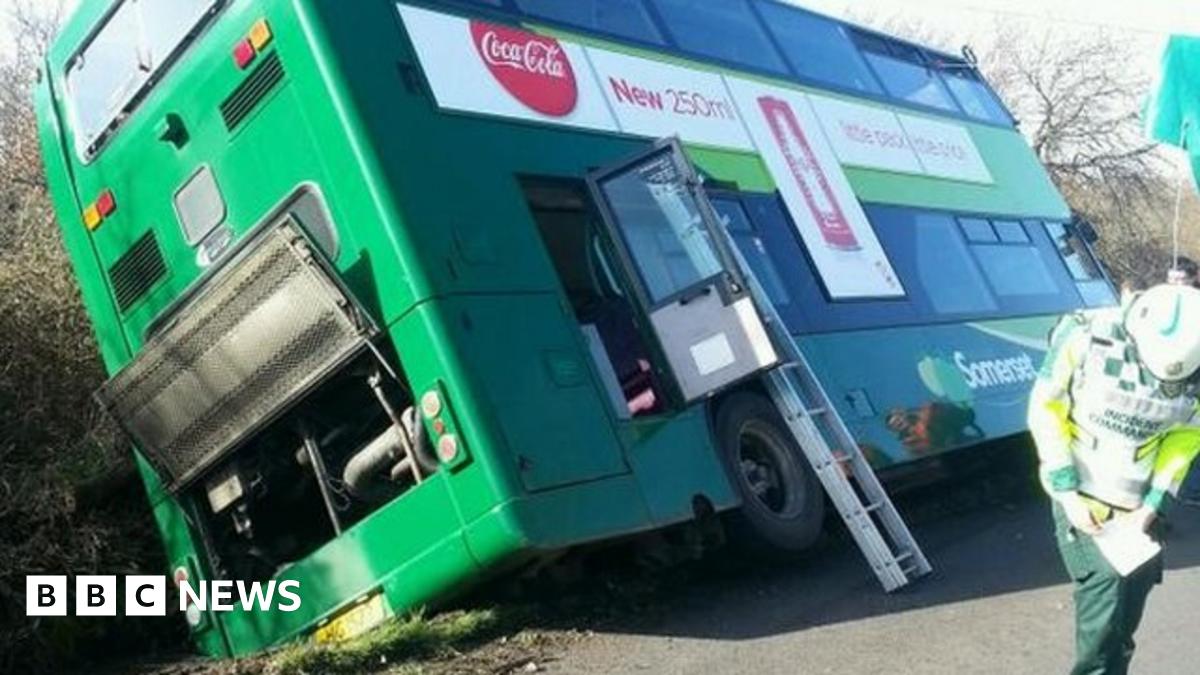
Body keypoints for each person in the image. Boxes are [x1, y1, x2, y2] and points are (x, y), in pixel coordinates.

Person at [1029, 283, 1200, 675]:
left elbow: (1187, 435)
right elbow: (1046, 405)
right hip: (1082, 489)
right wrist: (1067, 491)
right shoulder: (1086, 335)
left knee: (1127, 612)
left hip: (1138, 507)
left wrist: (1154, 503)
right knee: (1105, 606)